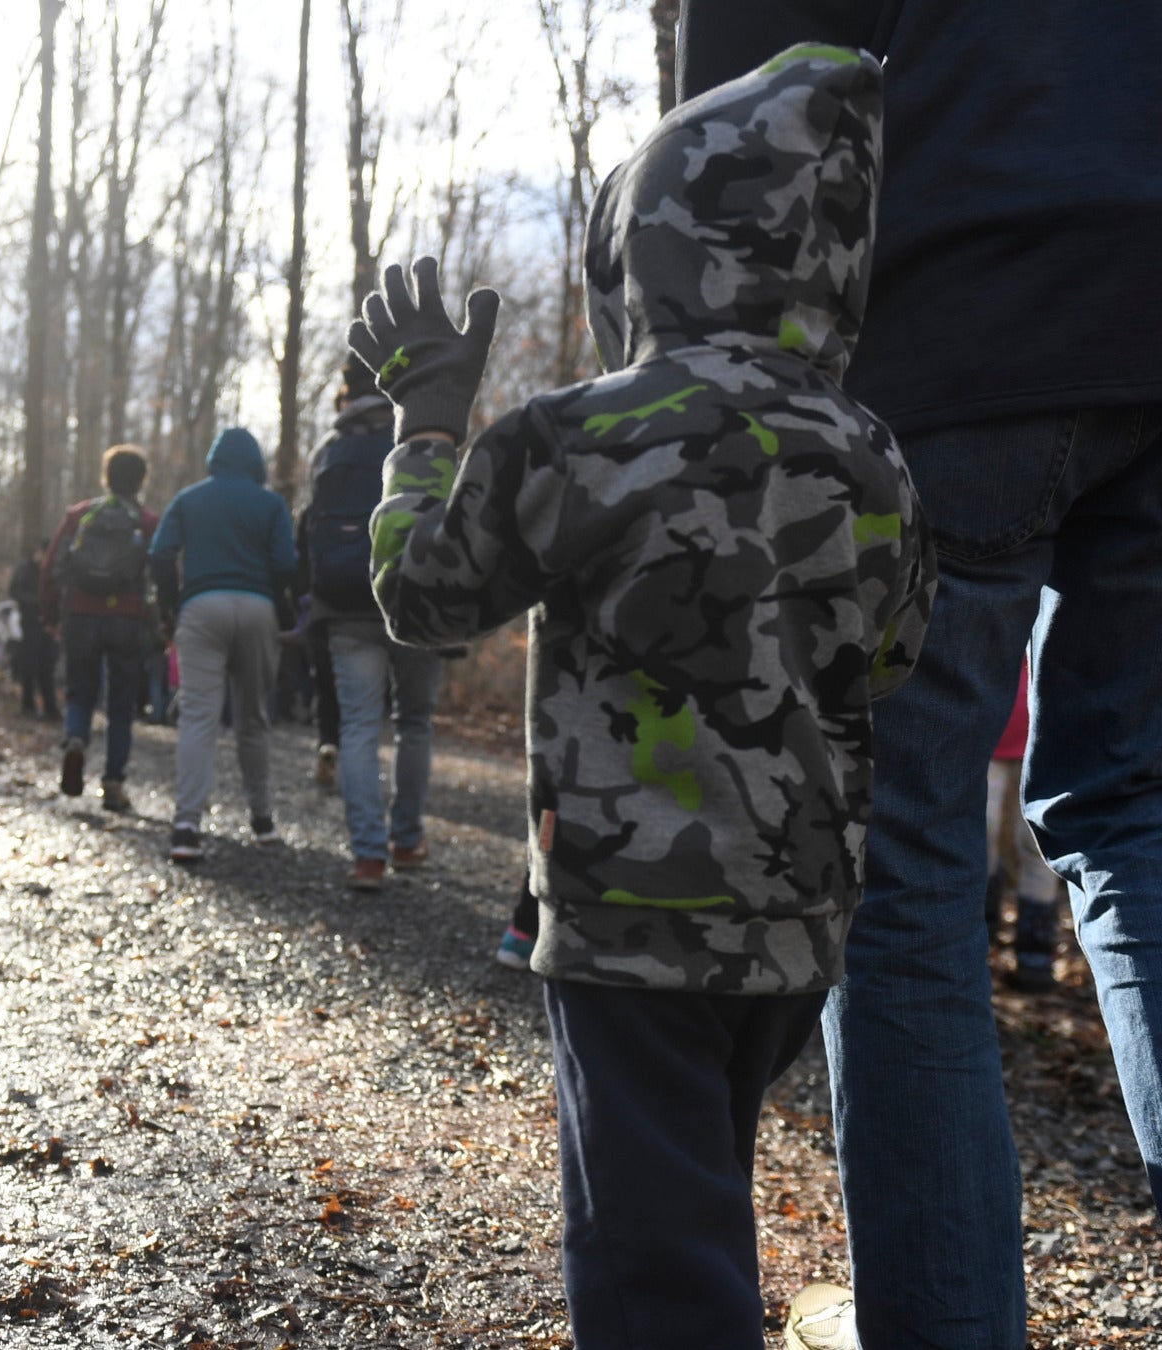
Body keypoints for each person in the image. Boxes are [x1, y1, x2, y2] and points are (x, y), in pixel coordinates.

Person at [677, 7, 1162, 1350]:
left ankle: (943, 1325)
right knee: (1135, 798)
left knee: (901, 849)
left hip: (959, 330)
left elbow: (739, 117)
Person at [356, 49, 932, 1350]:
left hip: (632, 921)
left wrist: (426, 432)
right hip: (796, 925)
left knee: (650, 1251)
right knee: (697, 1186)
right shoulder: (874, 454)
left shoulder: (579, 434)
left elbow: (425, 598)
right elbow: (894, 655)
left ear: (644, 247)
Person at [304, 365, 443, 891]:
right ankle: (406, 840)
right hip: (413, 596)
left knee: (358, 726)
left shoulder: (328, 450)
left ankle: (367, 856)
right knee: (414, 721)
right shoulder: (422, 438)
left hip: (345, 602)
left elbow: (308, 526)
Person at [148, 427, 298, 865]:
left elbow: (160, 555)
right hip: (257, 608)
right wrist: (272, 598)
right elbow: (286, 564)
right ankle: (263, 820)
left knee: (198, 717)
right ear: (255, 463)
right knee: (253, 717)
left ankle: (187, 827)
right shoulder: (271, 503)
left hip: (201, 608)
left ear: (214, 460)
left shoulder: (189, 499)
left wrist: (171, 607)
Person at [42, 445, 160, 813]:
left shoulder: (80, 515)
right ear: (141, 481)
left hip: (81, 614)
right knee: (121, 704)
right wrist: (162, 623)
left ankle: (76, 739)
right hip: (127, 618)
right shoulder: (147, 521)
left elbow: (50, 568)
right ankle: (113, 782)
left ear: (106, 476)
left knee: (80, 692)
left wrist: (50, 615)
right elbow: (161, 574)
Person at [987, 661, 1061, 991]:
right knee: (981, 833)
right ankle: (981, 935)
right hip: (987, 738)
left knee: (1038, 844)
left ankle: (1035, 956)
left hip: (1044, 741)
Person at [7, 545, 59, 720]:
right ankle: (28, 704)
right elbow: (15, 591)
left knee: (47, 667)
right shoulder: (25, 568)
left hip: (48, 624)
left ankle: (50, 708)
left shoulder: (52, 569)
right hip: (29, 623)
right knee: (29, 666)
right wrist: (37, 603)